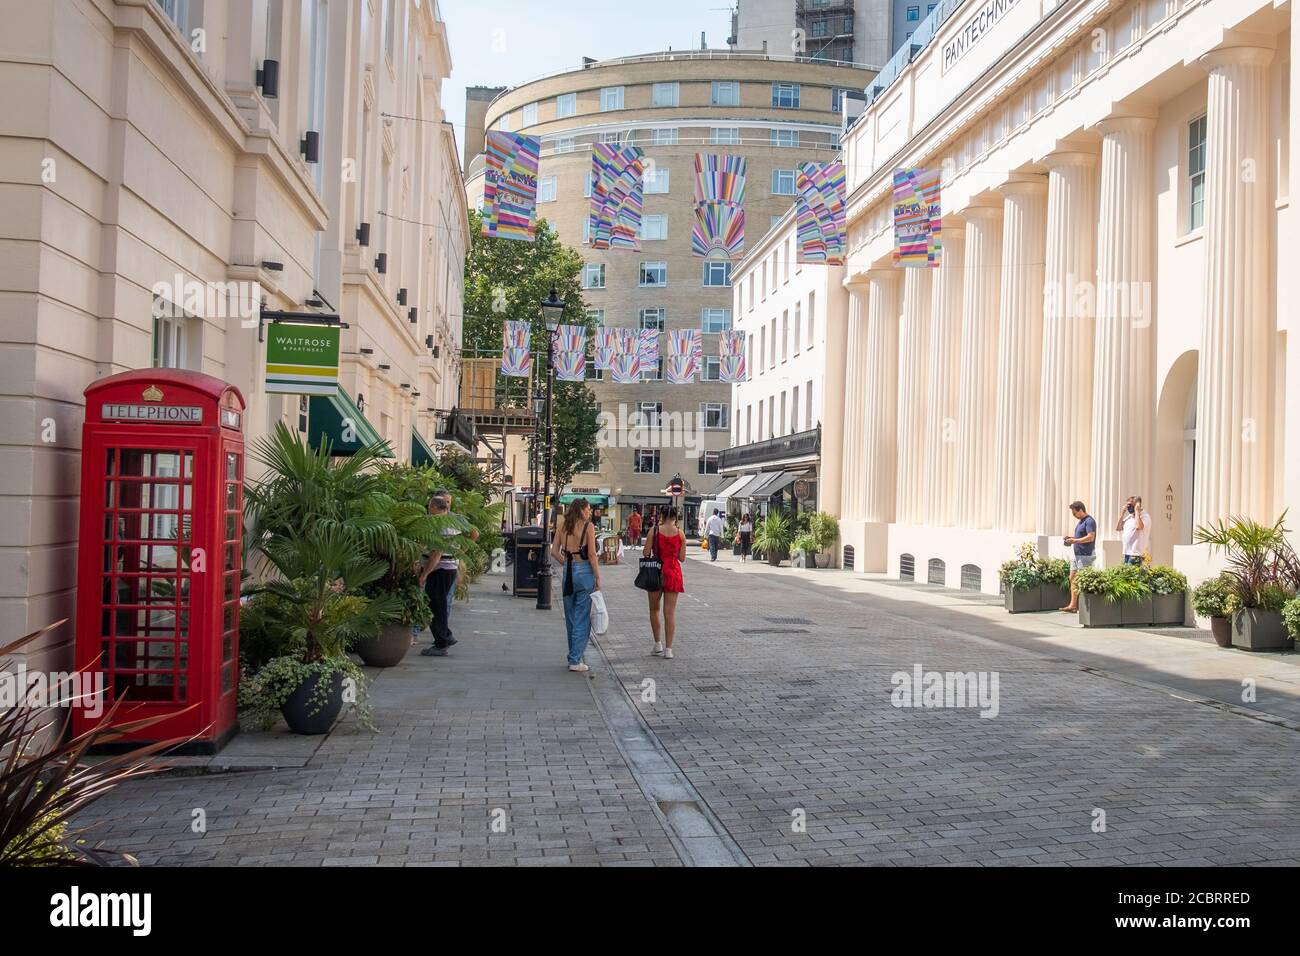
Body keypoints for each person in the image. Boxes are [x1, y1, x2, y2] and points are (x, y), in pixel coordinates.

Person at [550, 497, 601, 673]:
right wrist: (598, 577)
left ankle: (573, 654)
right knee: (582, 617)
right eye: (588, 509)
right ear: (581, 510)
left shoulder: (562, 526)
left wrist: (566, 562)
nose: (590, 512)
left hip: (568, 571)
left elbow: (553, 551)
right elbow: (592, 555)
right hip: (584, 571)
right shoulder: (589, 527)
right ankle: (575, 659)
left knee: (570, 616)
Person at [418, 494, 460, 657]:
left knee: (436, 606)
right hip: (447, 568)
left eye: (430, 507)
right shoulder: (450, 522)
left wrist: (425, 573)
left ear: (435, 507)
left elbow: (437, 552)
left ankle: (441, 642)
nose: (428, 510)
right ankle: (446, 636)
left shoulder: (442, 525)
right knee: (439, 604)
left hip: (441, 569)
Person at [644, 505, 685, 659]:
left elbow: (646, 553)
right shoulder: (680, 534)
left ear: (661, 516)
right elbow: (682, 558)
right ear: (675, 517)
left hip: (656, 571)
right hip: (673, 572)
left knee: (654, 609)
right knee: (670, 612)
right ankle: (669, 649)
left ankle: (657, 644)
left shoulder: (653, 531)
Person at [1060, 500, 1097, 613]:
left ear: (1080, 510)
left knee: (1083, 579)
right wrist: (1070, 538)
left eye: (1074, 513)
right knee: (1072, 578)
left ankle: (1086, 606)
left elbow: (1090, 537)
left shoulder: (1089, 521)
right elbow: (1080, 536)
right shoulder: (1081, 522)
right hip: (1077, 555)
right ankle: (1073, 605)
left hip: (1085, 555)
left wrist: (1074, 540)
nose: (1074, 515)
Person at [1116, 495, 1150, 566]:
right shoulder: (1130, 516)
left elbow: (1138, 526)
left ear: (1137, 505)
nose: (1128, 507)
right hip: (1127, 552)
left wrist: (1137, 511)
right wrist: (1122, 513)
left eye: (1130, 505)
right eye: (1127, 505)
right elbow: (1118, 528)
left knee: (1132, 575)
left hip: (1136, 554)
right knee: (1126, 575)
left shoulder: (1144, 516)